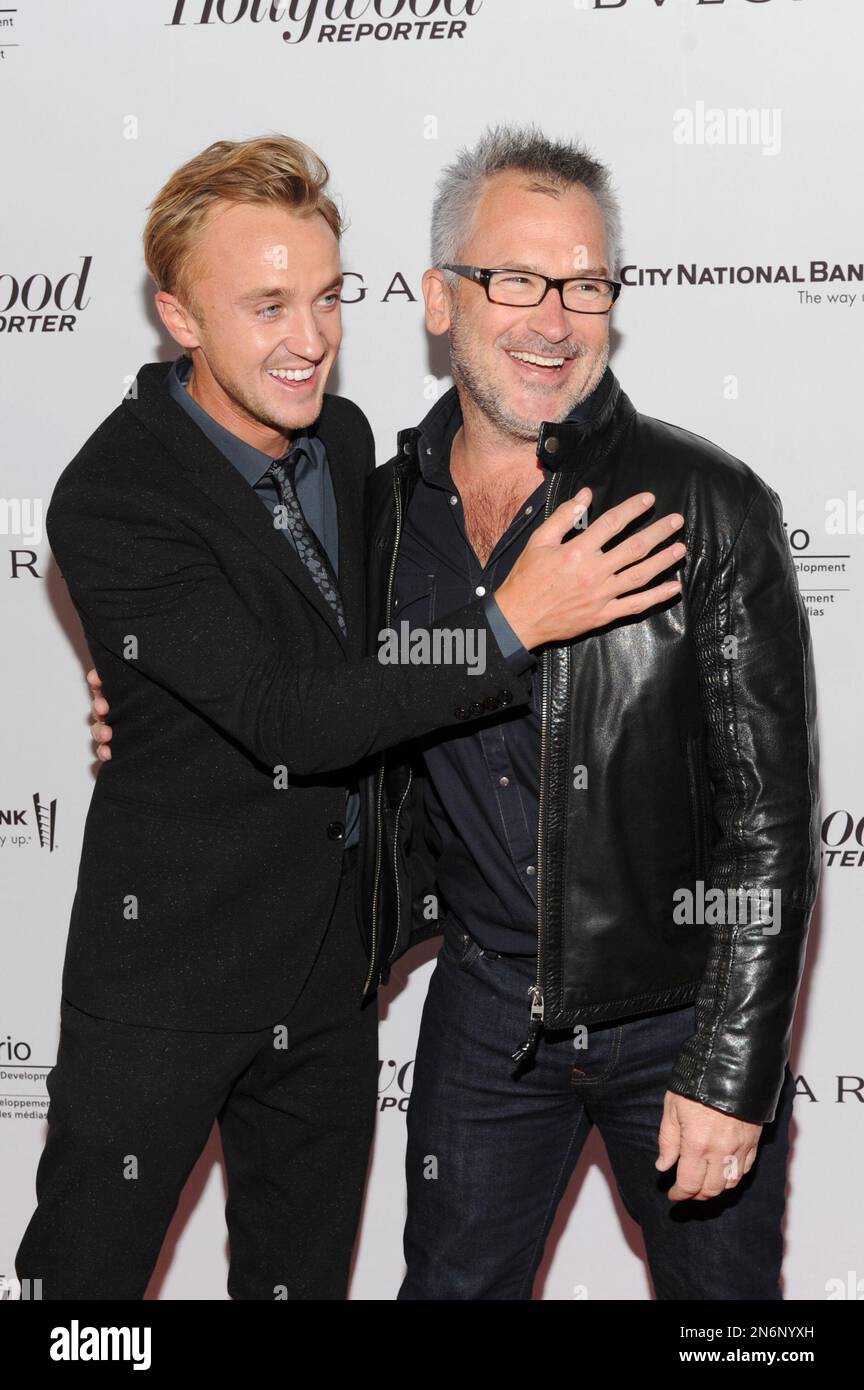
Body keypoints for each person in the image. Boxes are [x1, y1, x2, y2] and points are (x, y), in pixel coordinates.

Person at [16, 132, 684, 1301]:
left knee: (300, 1282)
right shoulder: (111, 494)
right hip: (168, 972)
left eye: (326, 297)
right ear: (178, 317)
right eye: (267, 305)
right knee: (86, 1287)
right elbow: (287, 715)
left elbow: (359, 654)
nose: (311, 338)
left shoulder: (344, 436)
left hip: (331, 972)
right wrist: (512, 624)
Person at [362, 124, 819, 1300]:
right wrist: (138, 695)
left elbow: (769, 825)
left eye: (586, 283)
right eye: (514, 278)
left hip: (673, 1015)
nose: (552, 319)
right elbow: (292, 697)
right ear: (438, 298)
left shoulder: (705, 503)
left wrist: (728, 1068)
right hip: (479, 1015)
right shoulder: (376, 520)